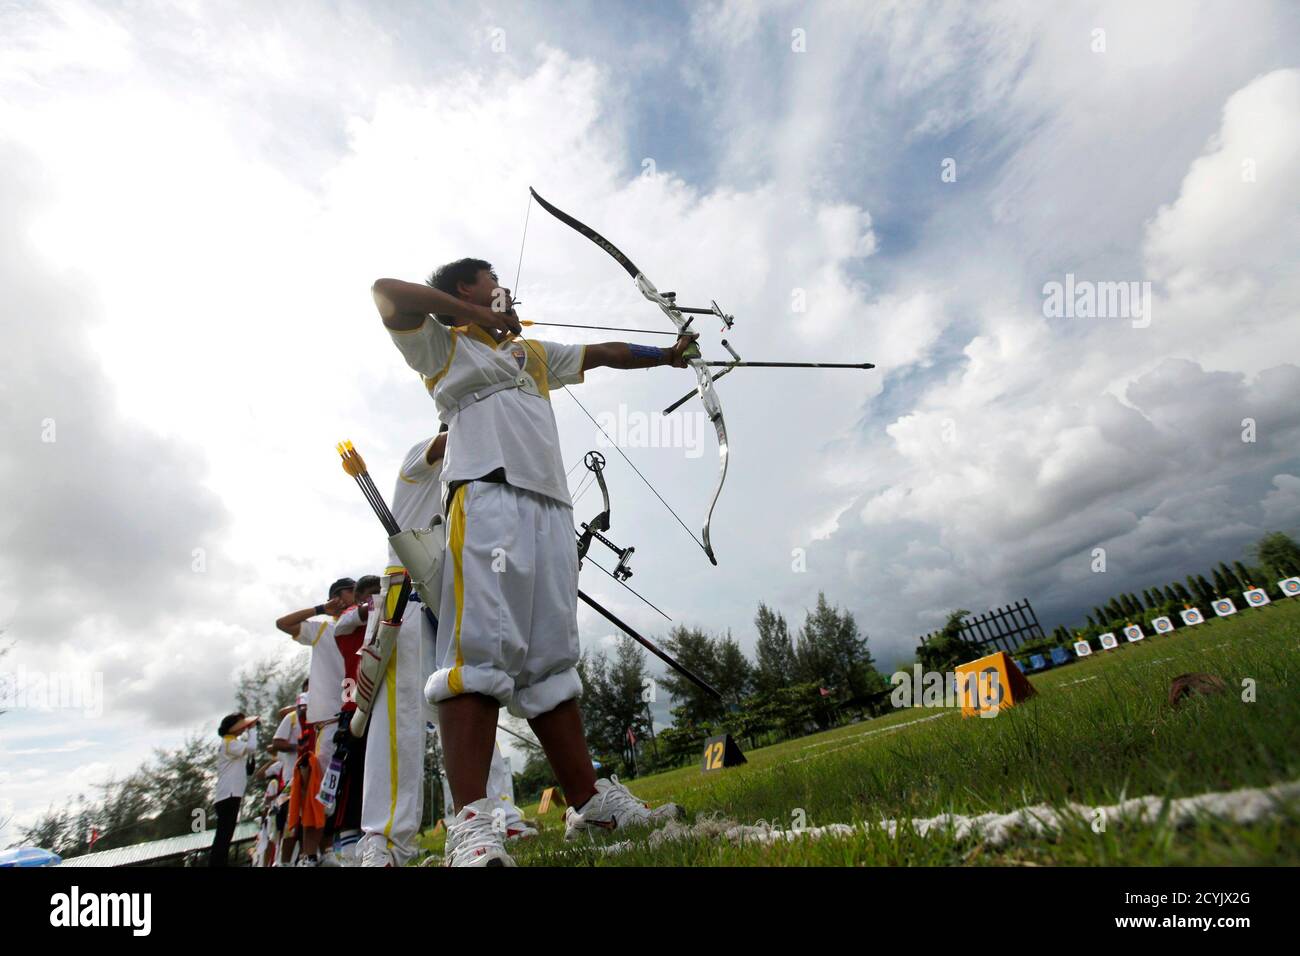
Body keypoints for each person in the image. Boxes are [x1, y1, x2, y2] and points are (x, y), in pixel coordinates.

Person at [373, 259, 683, 866]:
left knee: (550, 658)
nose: (502, 288)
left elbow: (600, 353)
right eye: (490, 279)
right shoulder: (444, 344)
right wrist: (471, 314)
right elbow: (385, 294)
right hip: (486, 495)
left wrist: (667, 354)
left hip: (549, 506)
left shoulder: (531, 354)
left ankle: (589, 802)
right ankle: (471, 824)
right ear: (465, 288)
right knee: (477, 651)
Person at [356, 430, 533, 867]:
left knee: (472, 706)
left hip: (453, 603)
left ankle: (495, 814)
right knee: (399, 723)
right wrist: (497, 419)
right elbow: (454, 439)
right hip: (407, 607)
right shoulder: (425, 455)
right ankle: (386, 841)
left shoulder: (477, 487)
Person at [274, 581, 359, 866]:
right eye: (352, 590)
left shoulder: (364, 624)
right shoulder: (322, 629)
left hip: (360, 712)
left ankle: (332, 850)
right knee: (322, 791)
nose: (357, 595)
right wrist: (321, 609)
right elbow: (281, 623)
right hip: (330, 721)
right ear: (337, 597)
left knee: (351, 786)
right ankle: (309, 855)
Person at [210, 712, 259, 866]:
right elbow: (251, 747)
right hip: (228, 794)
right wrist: (252, 730)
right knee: (223, 836)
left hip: (230, 794)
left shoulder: (232, 742)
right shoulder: (229, 743)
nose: (243, 727)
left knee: (225, 836)